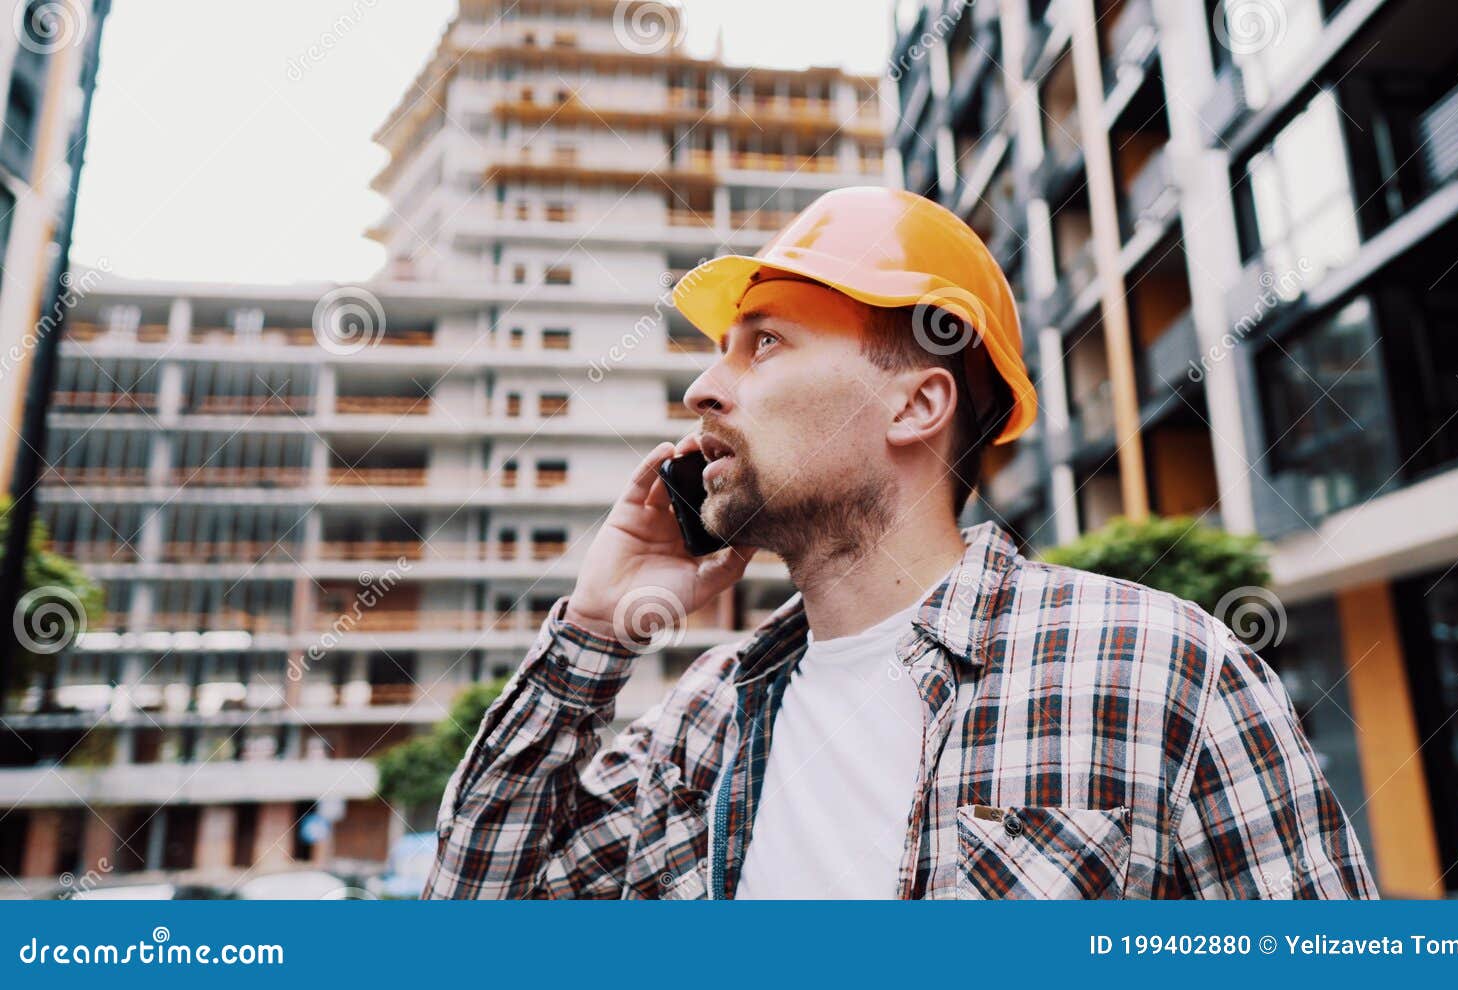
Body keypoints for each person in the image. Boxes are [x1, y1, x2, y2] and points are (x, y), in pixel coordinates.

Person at [423, 187, 1376, 899]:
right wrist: (596, 627)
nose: (703, 390)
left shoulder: (1161, 671)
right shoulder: (701, 727)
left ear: (916, 404)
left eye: (764, 344)